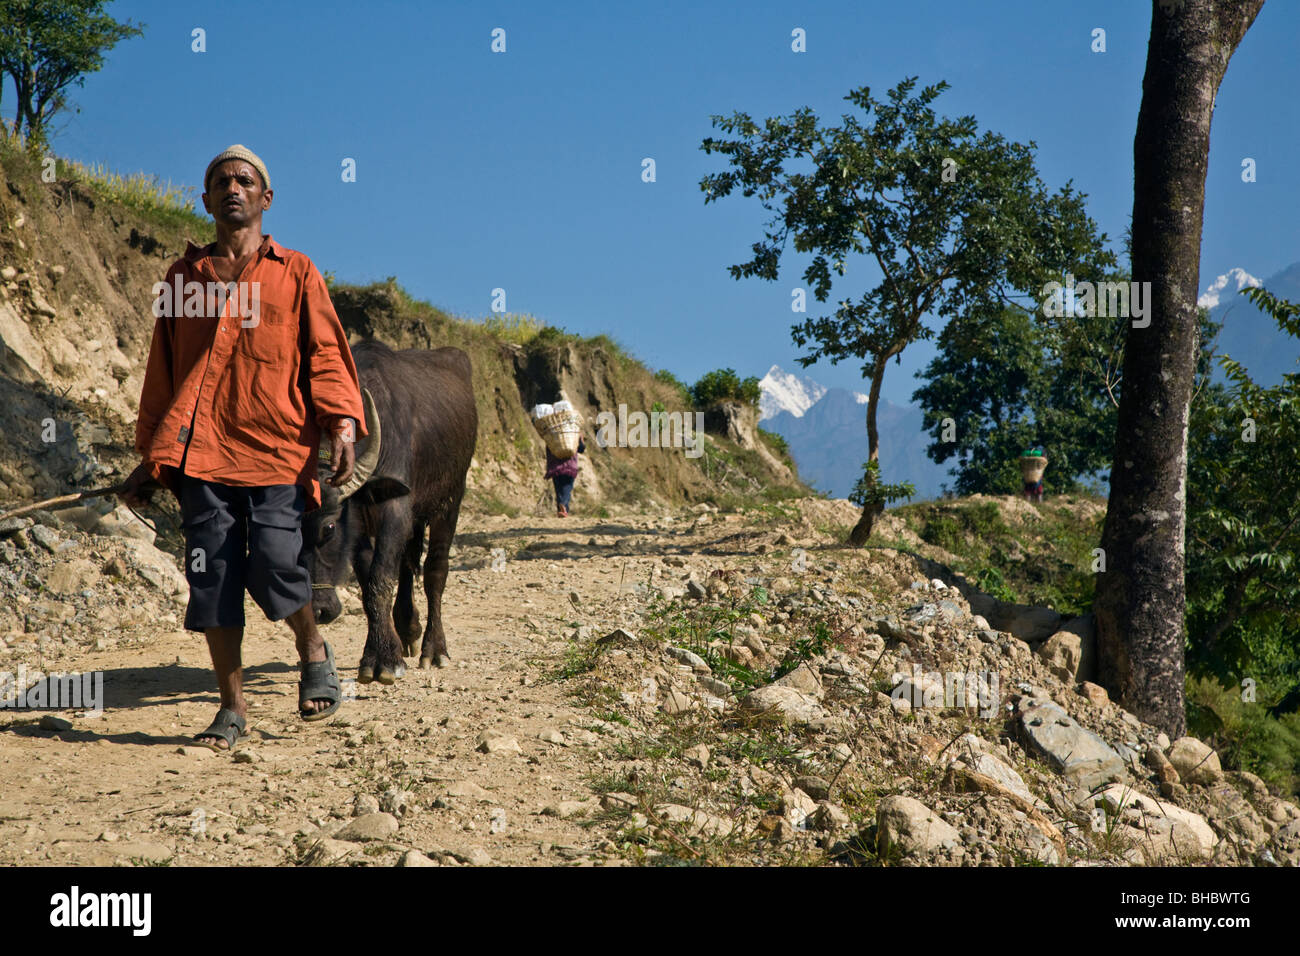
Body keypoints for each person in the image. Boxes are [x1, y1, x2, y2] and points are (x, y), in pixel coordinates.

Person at [120, 144, 366, 750]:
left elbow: (327, 352)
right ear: (205, 201)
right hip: (202, 451)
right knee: (214, 574)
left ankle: (312, 648)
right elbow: (163, 370)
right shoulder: (182, 280)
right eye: (221, 181)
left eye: (245, 180)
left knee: (279, 562)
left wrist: (340, 421)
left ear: (265, 198)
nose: (233, 187)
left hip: (277, 446)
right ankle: (232, 708)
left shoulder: (297, 271)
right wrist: (152, 452)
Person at [545, 436, 585, 517]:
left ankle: (561, 511)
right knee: (567, 488)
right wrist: (581, 440)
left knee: (558, 489)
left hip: (555, 466)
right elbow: (581, 449)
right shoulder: (574, 432)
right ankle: (563, 506)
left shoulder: (551, 433)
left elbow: (548, 448)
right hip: (570, 466)